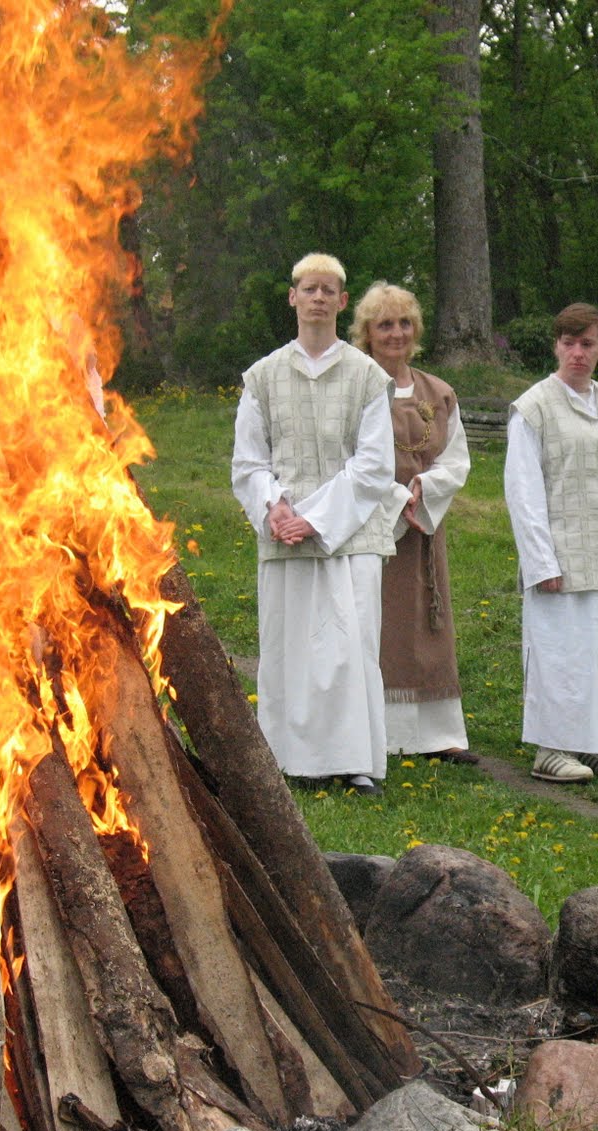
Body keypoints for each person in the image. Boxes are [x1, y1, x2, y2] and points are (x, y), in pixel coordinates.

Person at [231, 253, 395, 796]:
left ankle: (356, 761)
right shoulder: (263, 377)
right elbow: (249, 461)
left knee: (351, 646)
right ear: (293, 297)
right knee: (289, 645)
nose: (319, 297)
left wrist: (315, 518)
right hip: (283, 532)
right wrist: (275, 508)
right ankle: (287, 756)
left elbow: (374, 466)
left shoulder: (368, 376)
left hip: (351, 535)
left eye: (330, 290)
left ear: (343, 301)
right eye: (309, 288)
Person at [504, 303, 598, 783]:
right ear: (556, 346)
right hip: (559, 557)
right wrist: (541, 561)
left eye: (587, 343)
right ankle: (552, 748)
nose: (577, 352)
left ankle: (595, 745)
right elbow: (523, 493)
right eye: (568, 342)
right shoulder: (533, 408)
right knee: (559, 653)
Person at [349, 282, 477, 764]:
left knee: (428, 626)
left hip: (424, 526)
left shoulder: (438, 393)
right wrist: (396, 497)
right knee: (383, 626)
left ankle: (437, 736)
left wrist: (426, 491)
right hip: (373, 524)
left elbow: (456, 457)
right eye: (384, 324)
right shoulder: (356, 387)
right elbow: (350, 458)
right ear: (367, 333)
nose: (396, 333)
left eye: (404, 323)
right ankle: (382, 734)